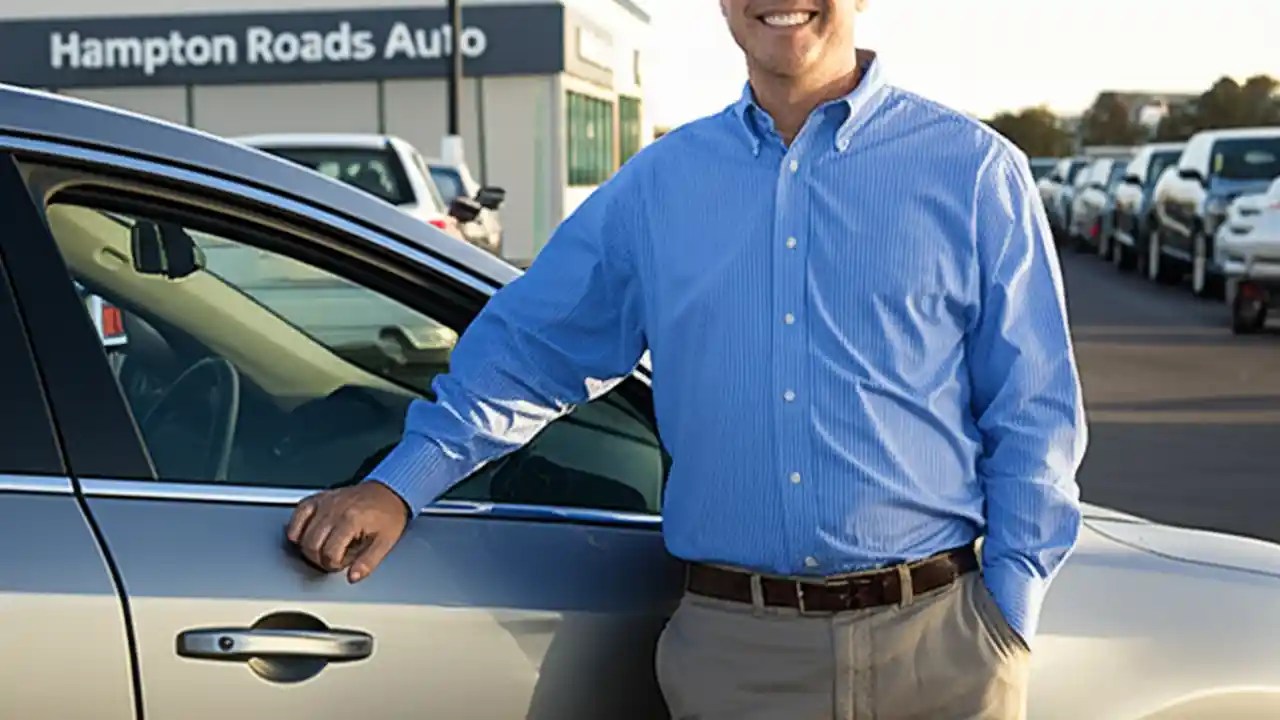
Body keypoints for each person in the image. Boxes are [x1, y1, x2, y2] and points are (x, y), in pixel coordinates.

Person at [285, 0, 1087, 717]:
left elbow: (1034, 411)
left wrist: (1006, 616)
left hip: (941, 653)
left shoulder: (974, 171)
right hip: (737, 660)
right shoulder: (658, 188)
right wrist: (401, 483)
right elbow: (534, 351)